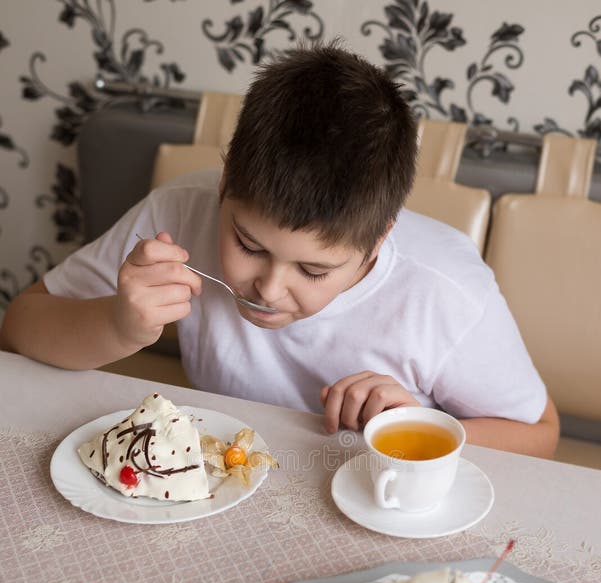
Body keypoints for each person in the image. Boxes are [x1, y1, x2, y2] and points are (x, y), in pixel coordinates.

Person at [0, 41, 559, 458]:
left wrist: (417, 429)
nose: (268, 288)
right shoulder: (178, 212)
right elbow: (20, 325)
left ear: (378, 239)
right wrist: (119, 326)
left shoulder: (447, 289)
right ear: (223, 186)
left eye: (314, 269)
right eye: (247, 244)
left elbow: (541, 435)